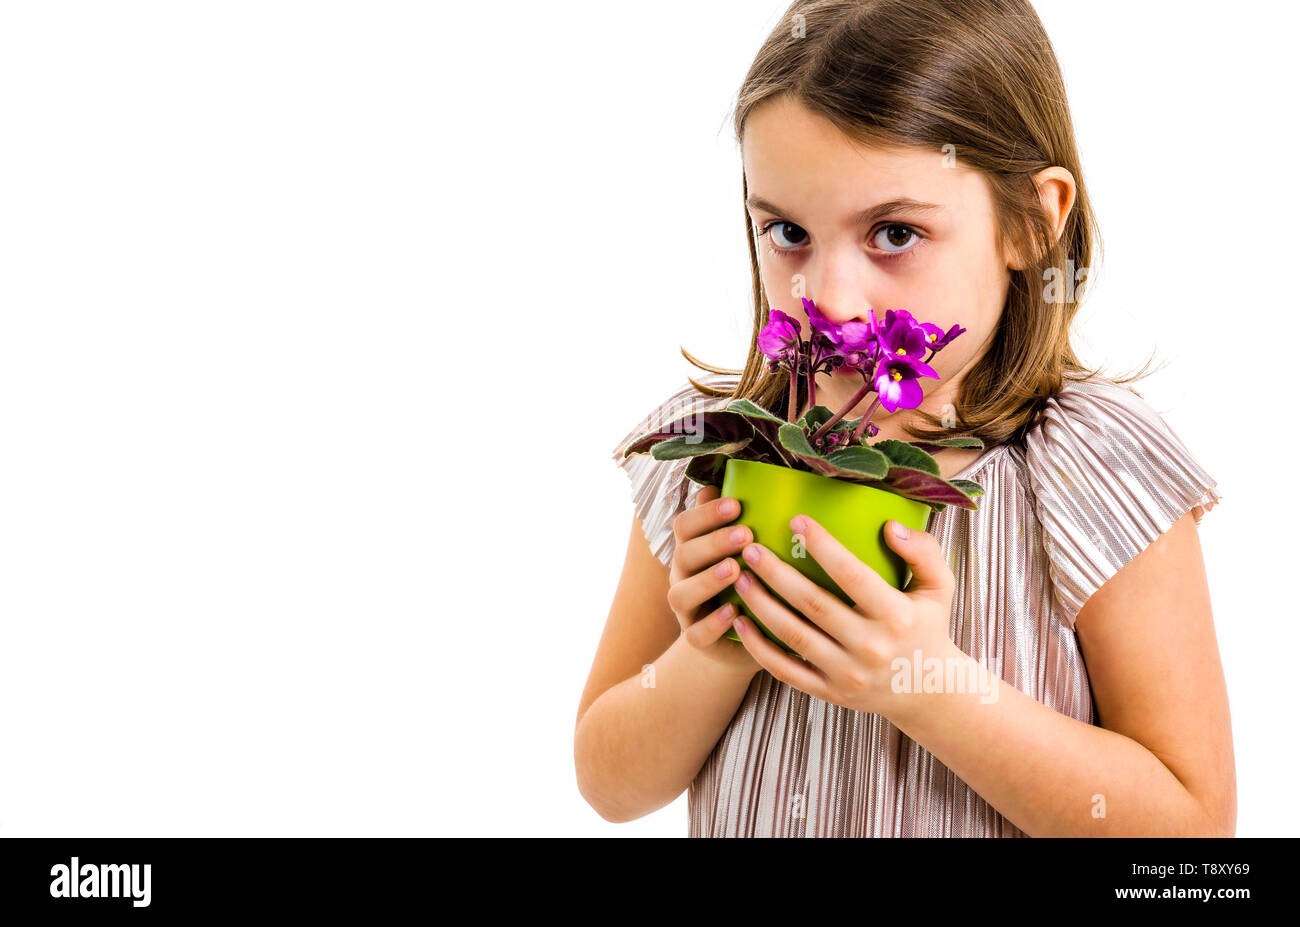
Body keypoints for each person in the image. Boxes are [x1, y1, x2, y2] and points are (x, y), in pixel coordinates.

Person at [574, 0, 1234, 837]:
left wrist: (925, 684)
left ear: (1033, 220)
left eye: (893, 232)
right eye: (787, 231)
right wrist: (717, 646)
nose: (832, 298)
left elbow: (1192, 830)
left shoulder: (1087, 466)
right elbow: (608, 781)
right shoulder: (714, 454)